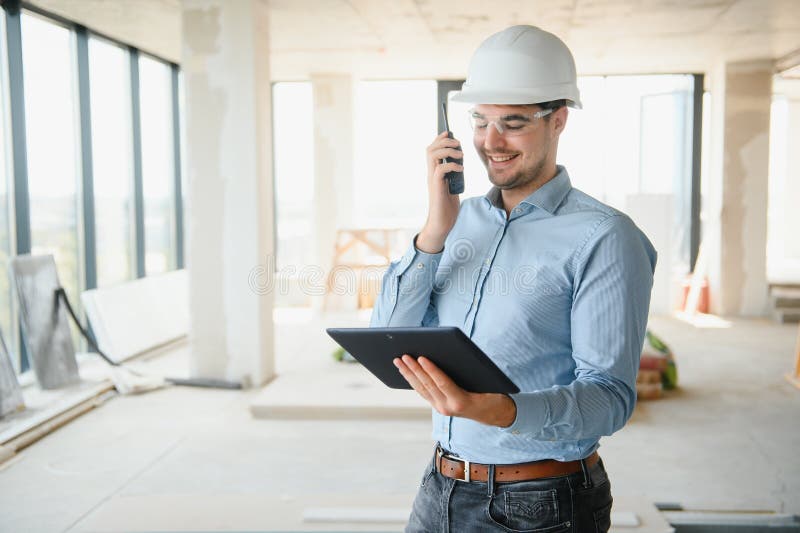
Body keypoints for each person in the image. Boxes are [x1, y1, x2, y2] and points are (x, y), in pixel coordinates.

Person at [369, 25, 656, 533]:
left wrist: (496, 409)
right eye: (480, 122)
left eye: (513, 123)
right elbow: (387, 333)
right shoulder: (459, 220)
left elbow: (609, 398)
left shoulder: (604, 237)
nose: (490, 143)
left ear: (558, 120)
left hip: (542, 504)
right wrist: (435, 230)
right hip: (440, 486)